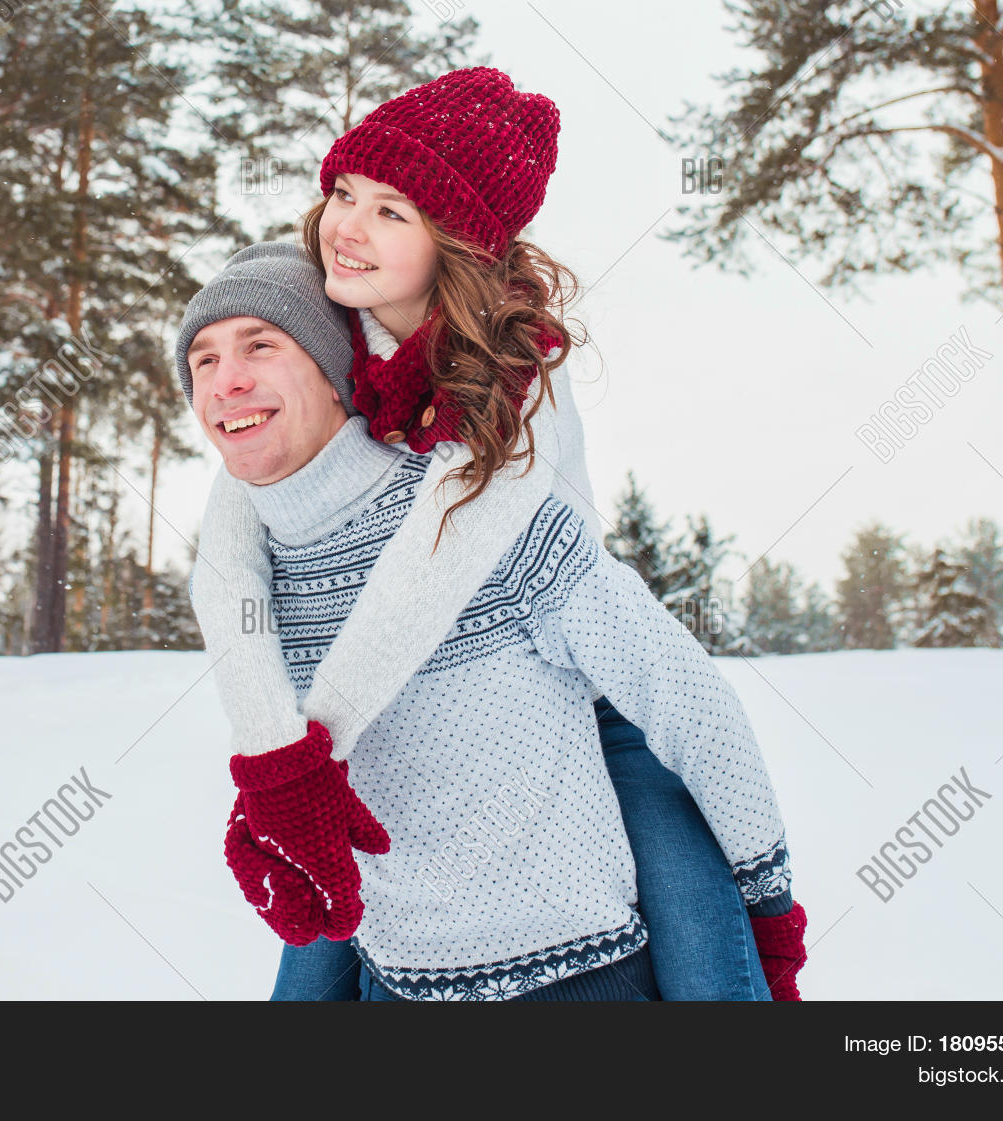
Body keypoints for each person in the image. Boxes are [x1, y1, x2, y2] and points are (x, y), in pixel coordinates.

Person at [188, 67, 808, 1001]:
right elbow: (232, 532)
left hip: (591, 683)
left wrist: (310, 753)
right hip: (418, 694)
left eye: (391, 212)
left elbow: (436, 572)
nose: (346, 226)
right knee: (319, 948)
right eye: (343, 195)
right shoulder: (331, 325)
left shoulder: (519, 374)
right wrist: (278, 763)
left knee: (693, 911)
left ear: (456, 243)